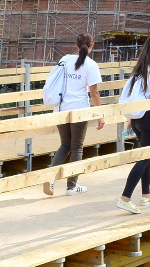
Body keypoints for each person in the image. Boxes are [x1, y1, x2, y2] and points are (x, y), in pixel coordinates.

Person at [44, 33, 105, 197]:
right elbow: (95, 93)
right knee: (77, 146)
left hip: (60, 108)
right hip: (78, 109)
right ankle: (72, 186)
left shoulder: (65, 59)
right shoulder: (91, 65)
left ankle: (50, 177)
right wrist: (100, 114)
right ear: (92, 46)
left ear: (76, 45)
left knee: (65, 144)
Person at [117, 36, 150, 213]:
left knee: (149, 156)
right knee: (145, 158)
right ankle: (125, 197)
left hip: (137, 119)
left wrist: (130, 120)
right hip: (149, 118)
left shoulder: (139, 70)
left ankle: (146, 195)